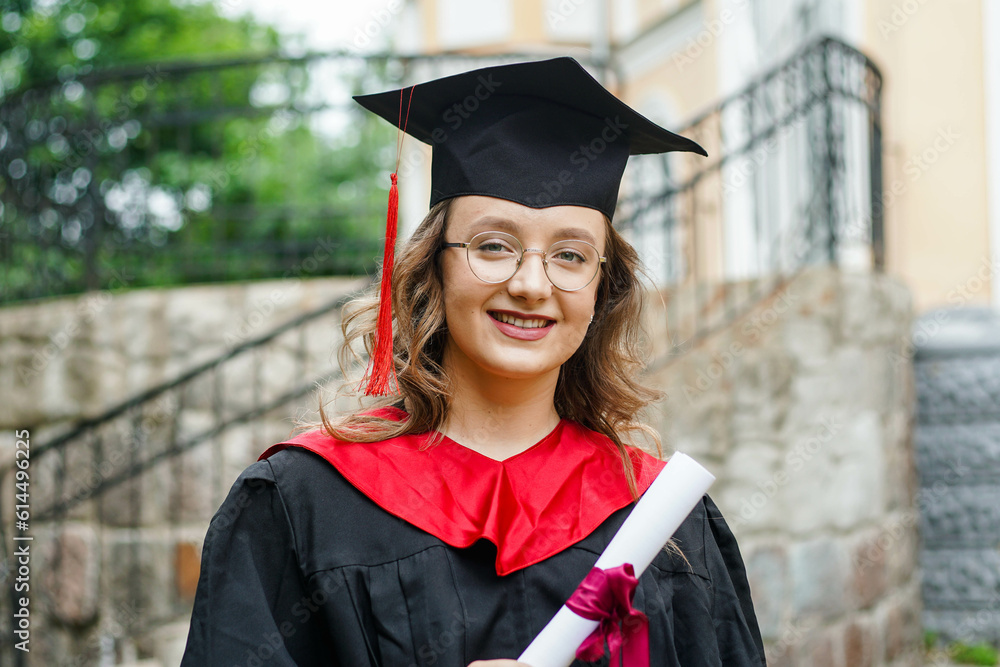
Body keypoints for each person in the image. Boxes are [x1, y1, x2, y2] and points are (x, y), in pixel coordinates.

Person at [180, 57, 766, 667]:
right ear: (434, 264)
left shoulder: (663, 521)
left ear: (601, 288)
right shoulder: (303, 505)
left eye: (570, 255)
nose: (532, 284)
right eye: (494, 246)